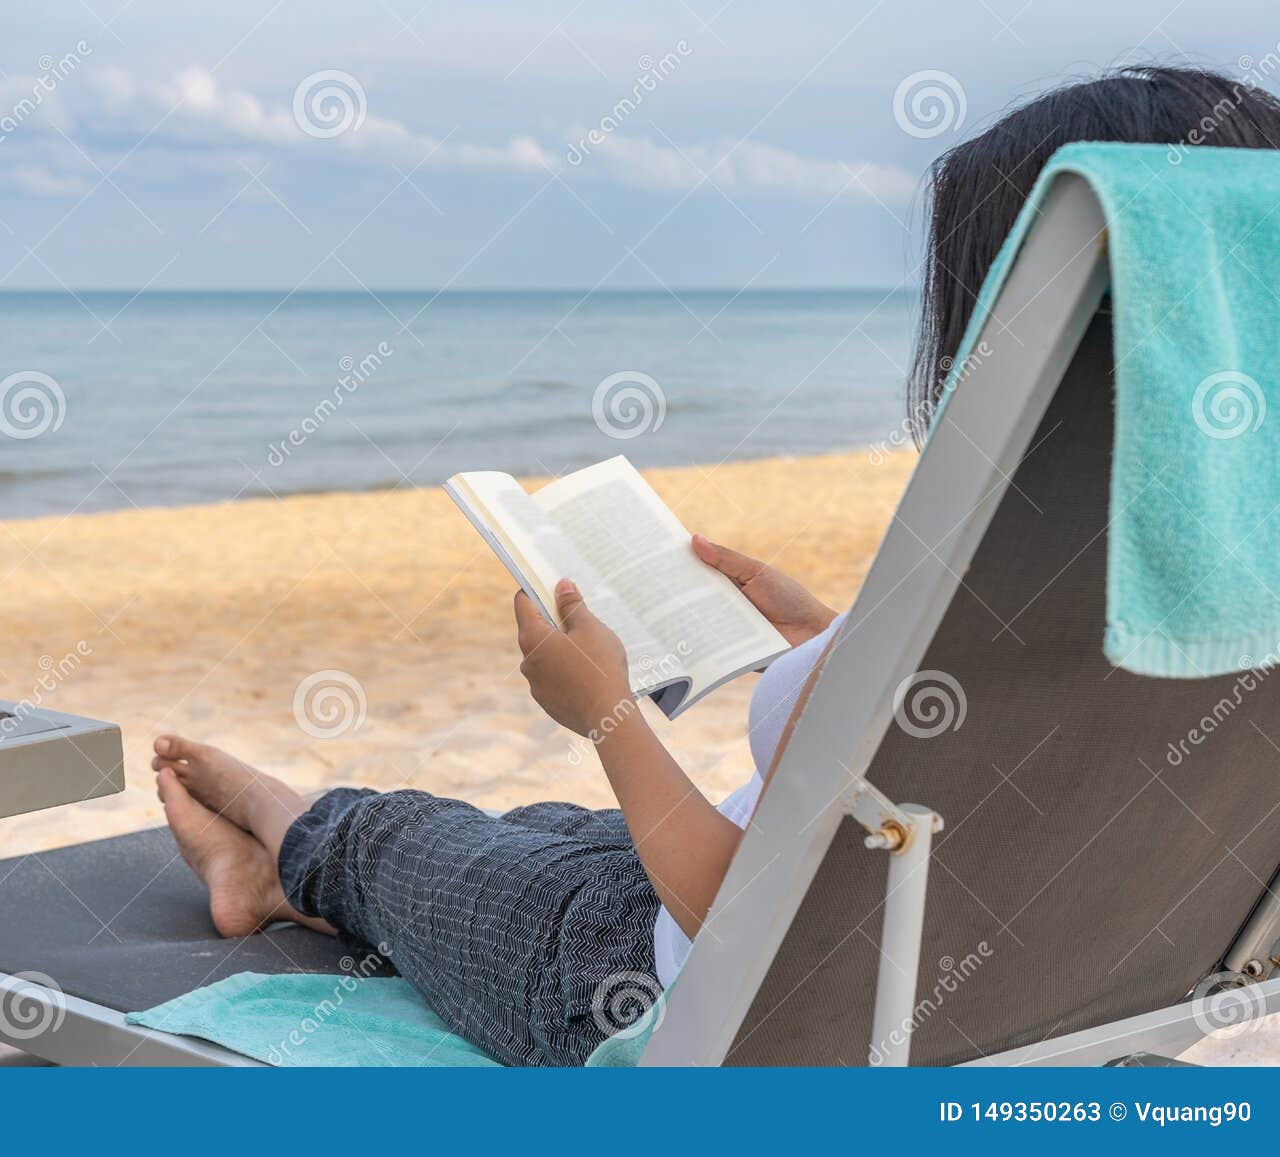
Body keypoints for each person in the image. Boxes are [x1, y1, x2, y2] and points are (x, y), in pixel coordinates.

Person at [152, 66, 1280, 1067]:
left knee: (391, 832)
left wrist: (606, 713)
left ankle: (276, 849)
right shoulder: (1214, 590)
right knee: (542, 825)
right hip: (1023, 998)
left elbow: (753, 937)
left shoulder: (1017, 577)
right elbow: (998, 742)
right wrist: (826, 634)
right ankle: (308, 880)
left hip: (656, 998)